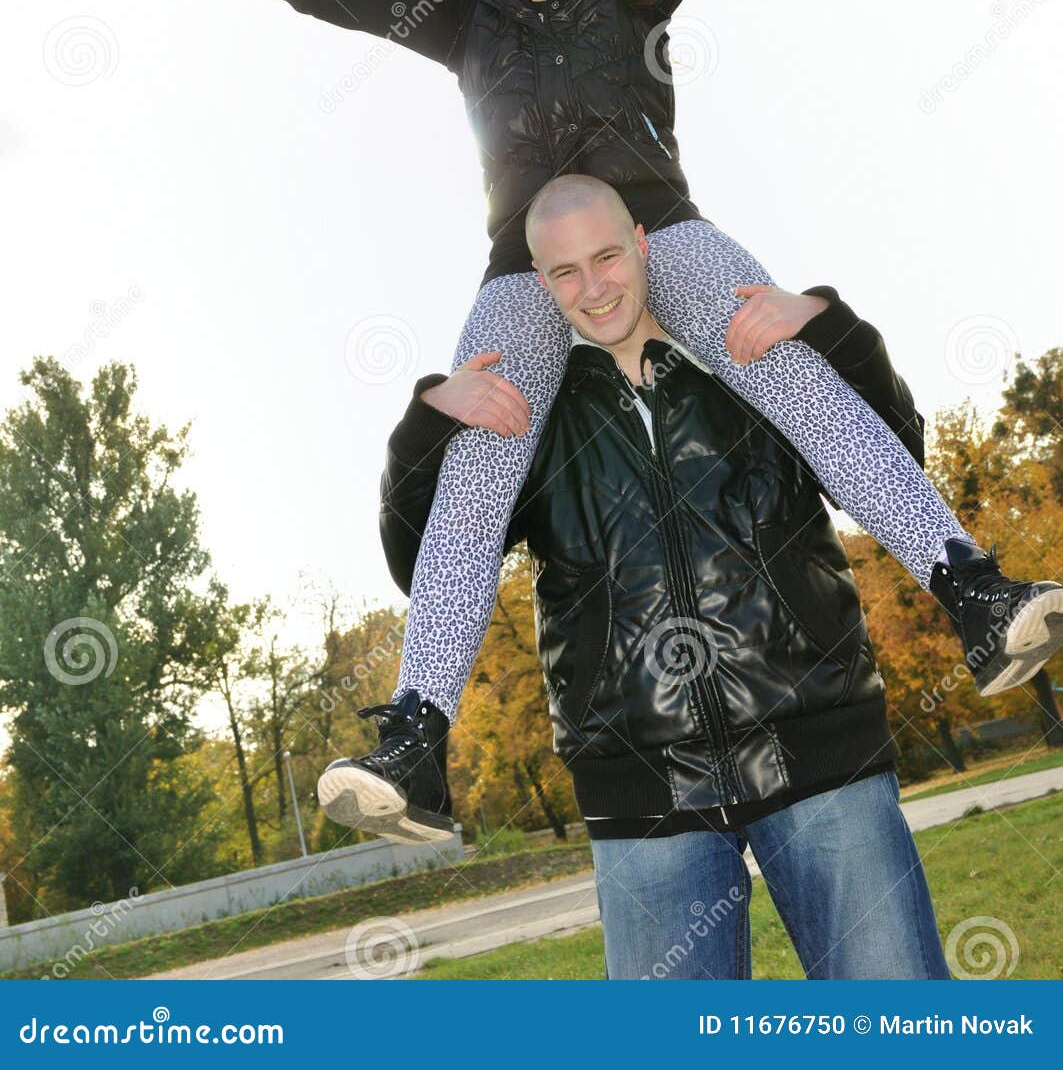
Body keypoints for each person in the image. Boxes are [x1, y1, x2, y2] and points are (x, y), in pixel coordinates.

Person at [105, 0, 1063, 839]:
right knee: (477, 442)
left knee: (779, 352)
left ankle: (968, 588)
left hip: (661, 233)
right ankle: (416, 736)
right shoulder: (460, 26)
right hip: (523, 269)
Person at [322, 175, 964, 980]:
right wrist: (425, 423)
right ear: (540, 283)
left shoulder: (746, 353)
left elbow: (892, 459)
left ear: (642, 246)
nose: (593, 289)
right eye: (565, 273)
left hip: (821, 752)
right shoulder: (527, 411)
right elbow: (423, 567)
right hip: (639, 797)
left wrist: (835, 327)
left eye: (606, 257)